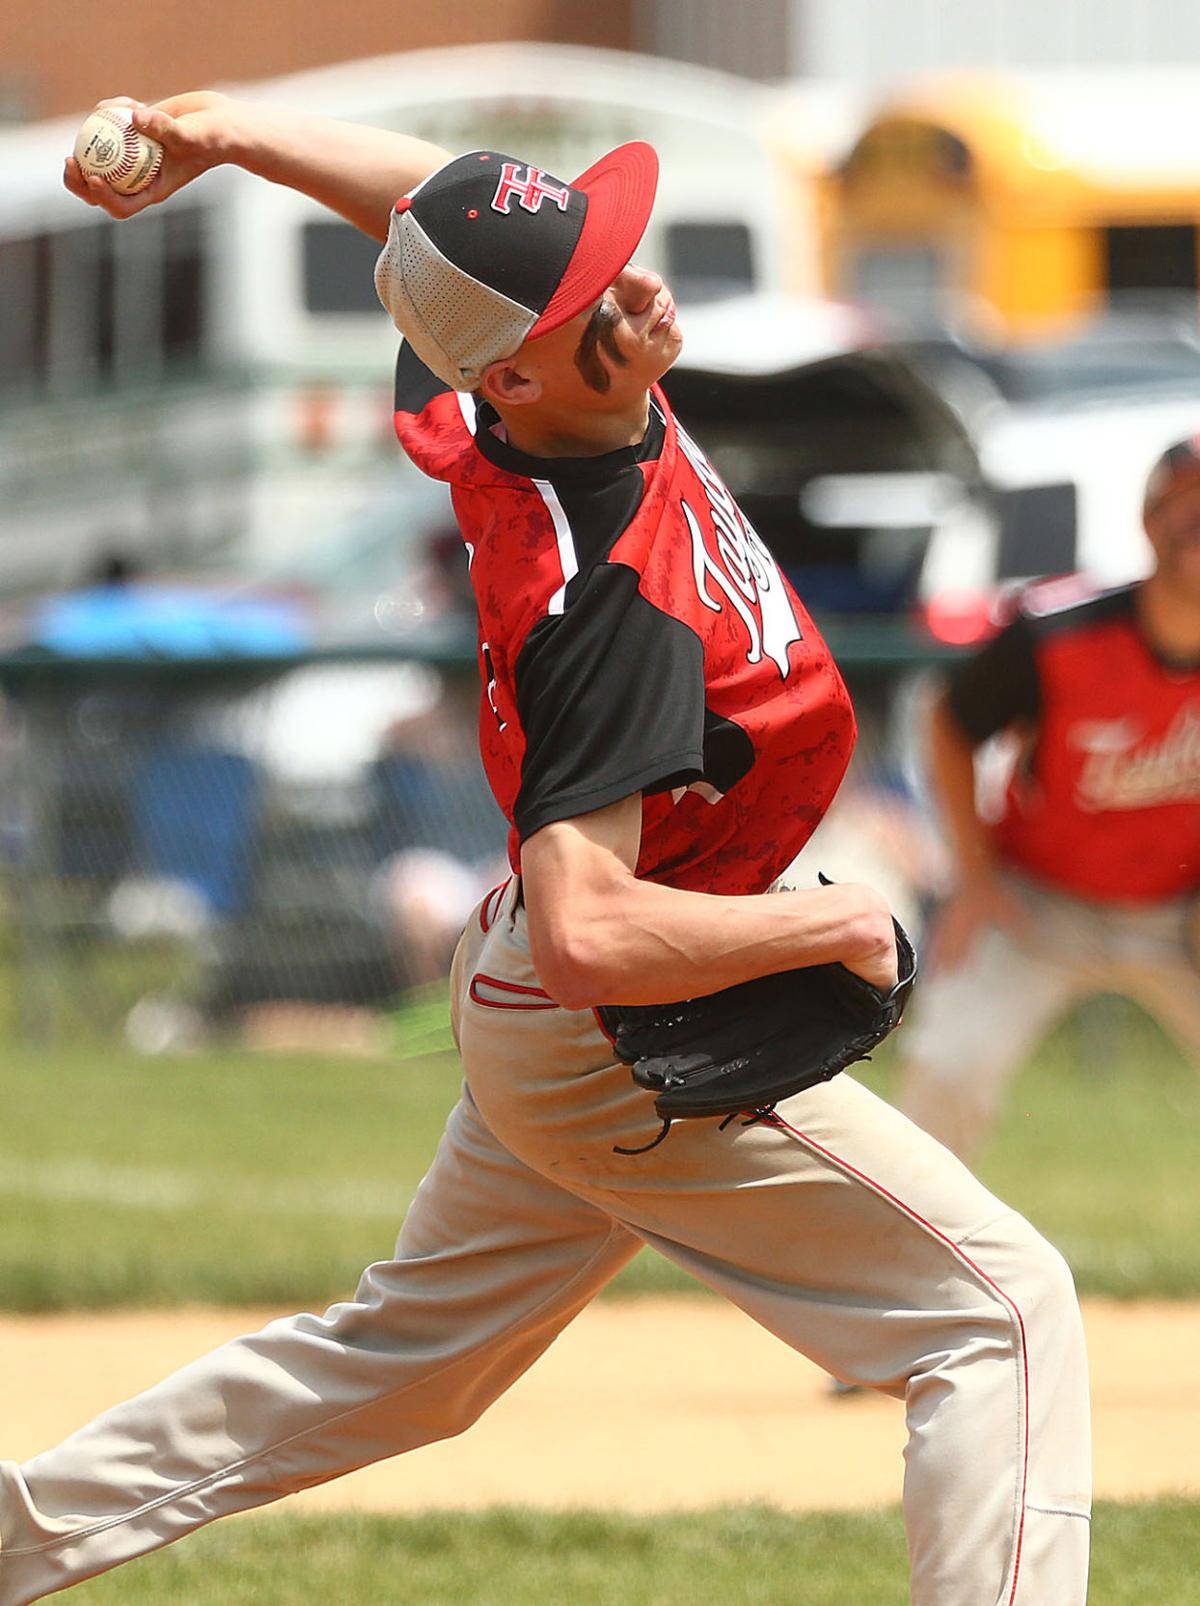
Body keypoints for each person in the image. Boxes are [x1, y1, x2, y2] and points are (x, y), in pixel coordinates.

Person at [0, 92, 1090, 1605]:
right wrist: (835, 927)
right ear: (519, 364)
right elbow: (593, 924)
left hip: (543, 1002)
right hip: (613, 1018)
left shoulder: (509, 395)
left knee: (399, 1370)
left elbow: (432, 217)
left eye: (607, 252)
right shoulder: (604, 606)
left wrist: (231, 130)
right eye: (588, 298)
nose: (631, 288)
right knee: (1004, 1314)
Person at [898, 440, 1200, 1164]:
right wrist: (973, 877)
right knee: (949, 1066)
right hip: (1037, 902)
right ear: (1149, 522)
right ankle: (899, 1264)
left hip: (1184, 911)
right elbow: (949, 720)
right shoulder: (1060, 632)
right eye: (1187, 504)